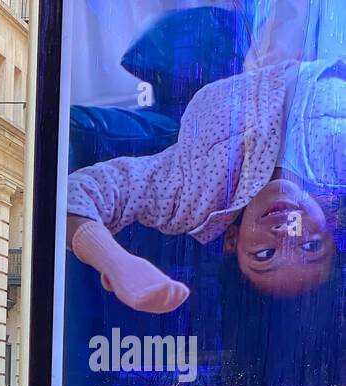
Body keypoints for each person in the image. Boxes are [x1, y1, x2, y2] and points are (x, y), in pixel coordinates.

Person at [66, 57, 346, 312]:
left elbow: (73, 194)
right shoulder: (339, 169)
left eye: (264, 254)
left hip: (240, 53)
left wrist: (115, 262)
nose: (286, 233)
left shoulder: (192, 198)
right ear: (331, 229)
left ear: (232, 242)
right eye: (310, 247)